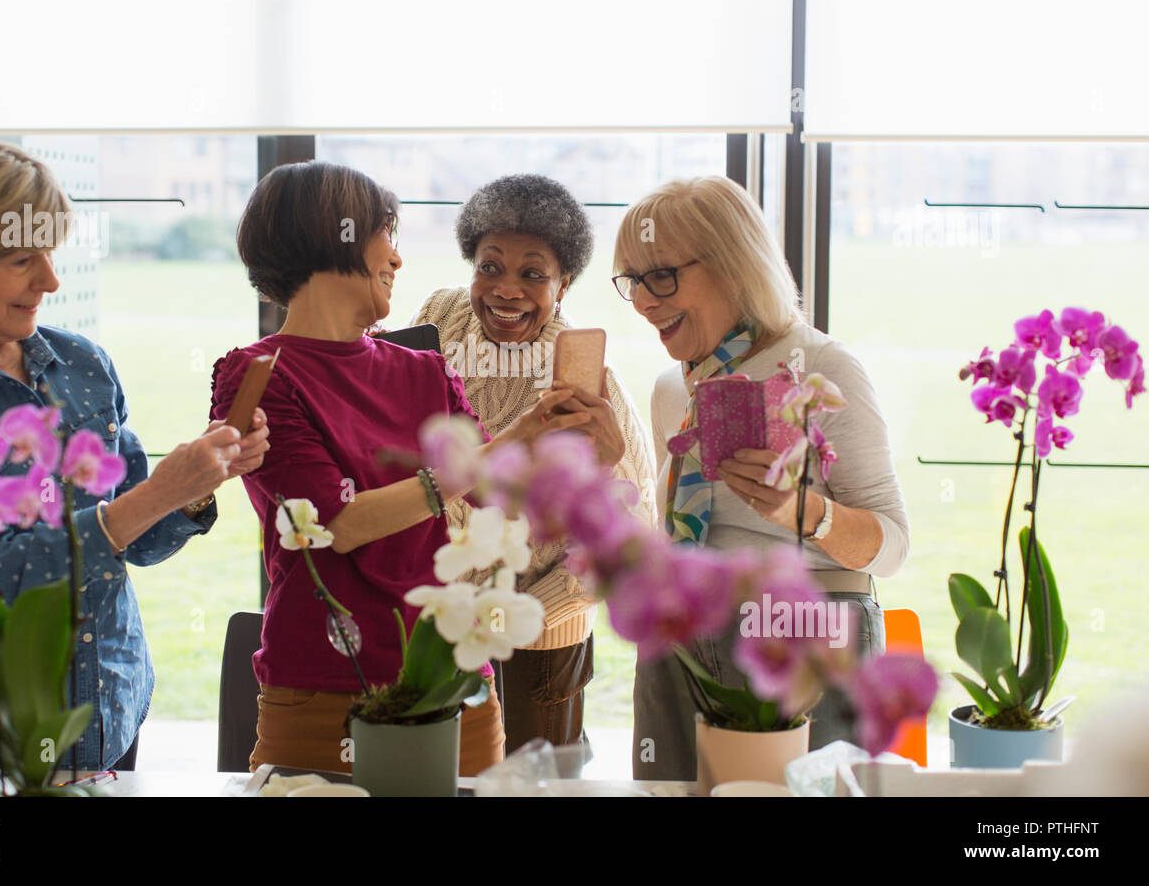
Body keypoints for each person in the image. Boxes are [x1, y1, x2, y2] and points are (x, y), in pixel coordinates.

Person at [0, 137, 268, 796]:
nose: (50, 280)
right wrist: (155, 493)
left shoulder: (81, 365)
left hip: (106, 713)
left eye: (51, 253)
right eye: (23, 260)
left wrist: (191, 489)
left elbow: (135, 538)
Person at [209, 162, 585, 777]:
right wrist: (517, 437)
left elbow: (499, 496)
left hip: (456, 687)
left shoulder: (423, 370)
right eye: (388, 234)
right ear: (334, 238)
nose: (399, 259)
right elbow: (339, 523)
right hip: (323, 690)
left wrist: (579, 457)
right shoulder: (258, 377)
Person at [613, 176, 909, 782]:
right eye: (632, 282)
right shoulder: (674, 389)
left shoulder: (823, 365)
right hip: (684, 645)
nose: (643, 302)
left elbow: (892, 547)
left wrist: (805, 515)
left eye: (661, 276)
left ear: (733, 264)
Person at [412, 174, 656, 755]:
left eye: (533, 274)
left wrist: (524, 616)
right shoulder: (440, 319)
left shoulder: (585, 384)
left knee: (531, 784)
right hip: (438, 621)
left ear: (563, 285)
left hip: (539, 637)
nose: (506, 290)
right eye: (489, 267)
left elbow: (630, 528)